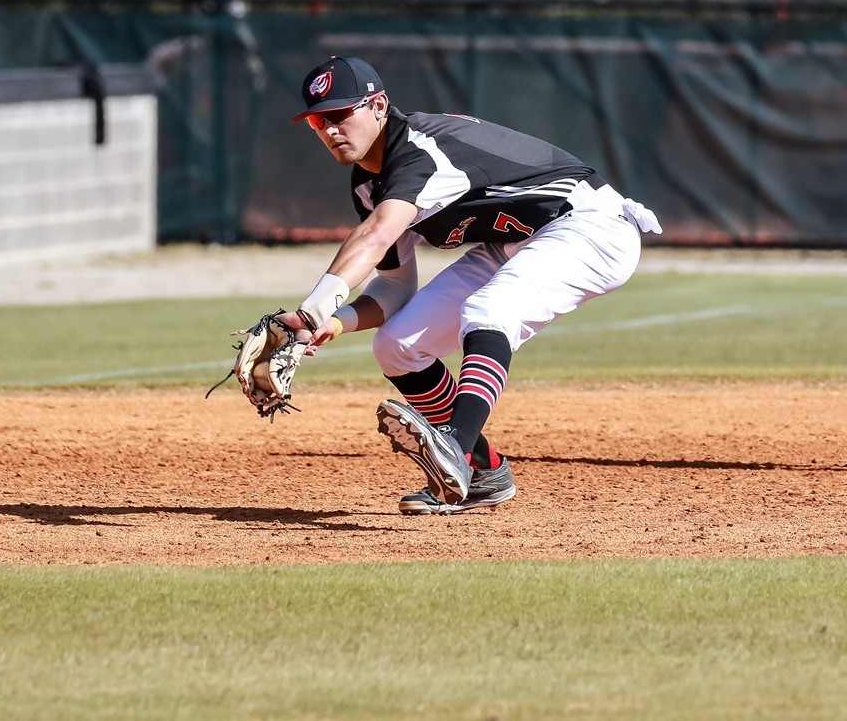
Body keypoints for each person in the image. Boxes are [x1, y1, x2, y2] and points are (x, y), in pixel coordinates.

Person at [274, 54, 662, 513]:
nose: (329, 129)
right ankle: (484, 472)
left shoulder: (420, 150)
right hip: (512, 243)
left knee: (489, 309)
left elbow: (377, 236)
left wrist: (313, 306)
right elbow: (395, 286)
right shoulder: (368, 185)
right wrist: (331, 323)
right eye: (318, 121)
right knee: (397, 345)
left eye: (339, 114)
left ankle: (454, 448)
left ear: (378, 105)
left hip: (590, 226)